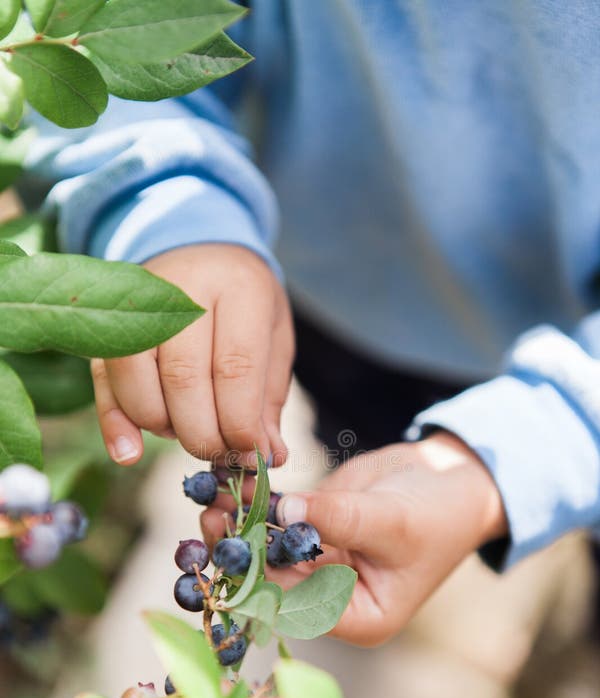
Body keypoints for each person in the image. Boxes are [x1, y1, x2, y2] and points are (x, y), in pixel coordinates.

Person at [27, 1, 600, 645]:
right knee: (357, 444)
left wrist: (529, 459)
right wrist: (170, 213)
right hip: (327, 305)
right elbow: (121, 36)